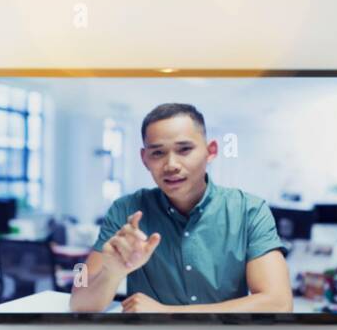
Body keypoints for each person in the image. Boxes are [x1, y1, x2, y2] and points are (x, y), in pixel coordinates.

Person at [71, 102, 291, 314]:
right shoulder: (125, 210)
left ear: (210, 151)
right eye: (157, 153)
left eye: (184, 149)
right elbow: (78, 303)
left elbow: (279, 303)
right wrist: (112, 273)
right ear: (144, 159)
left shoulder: (250, 210)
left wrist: (168, 313)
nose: (171, 165)